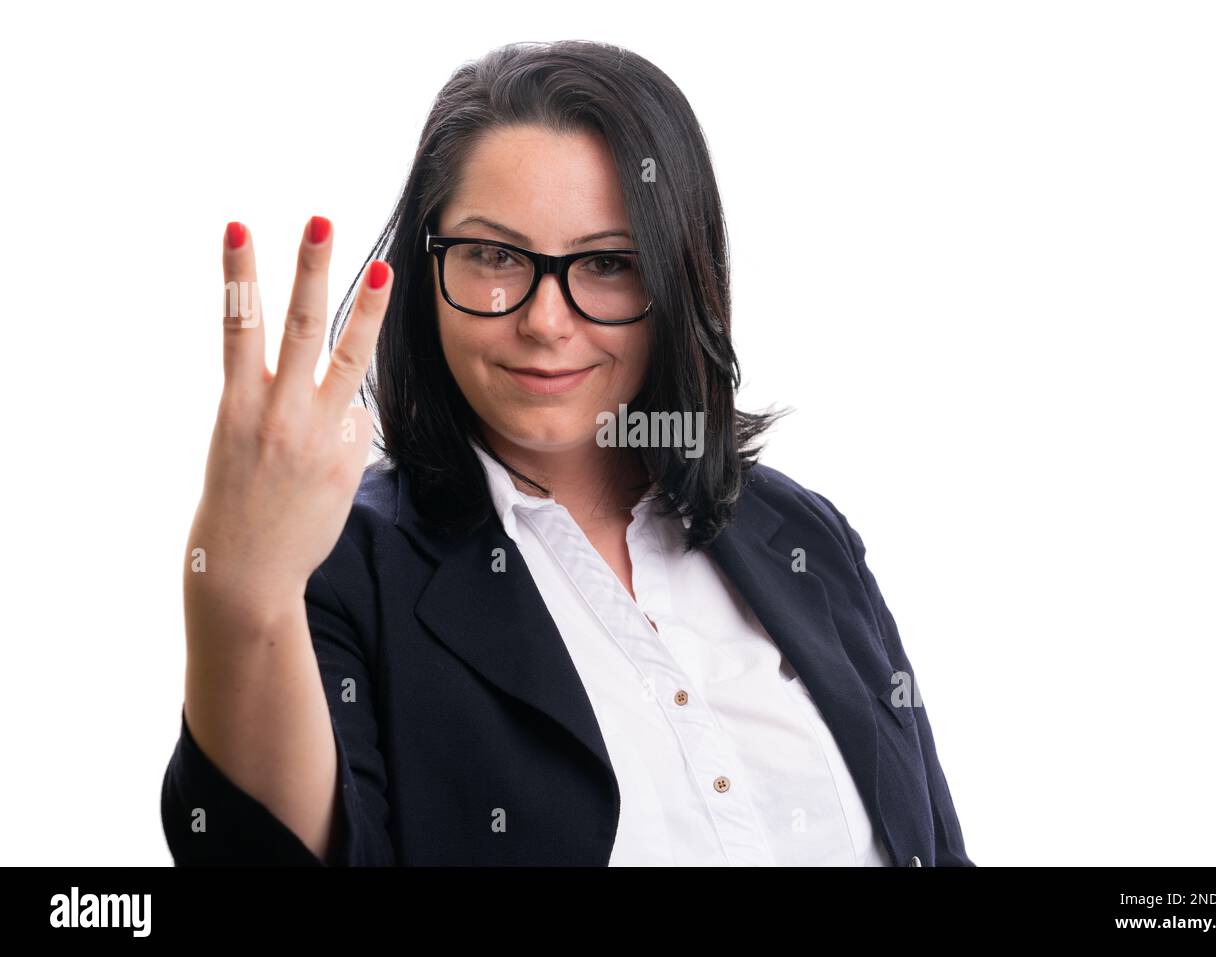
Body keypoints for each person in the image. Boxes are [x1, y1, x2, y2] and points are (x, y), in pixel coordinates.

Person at [162, 39, 973, 867]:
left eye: (609, 263)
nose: (546, 321)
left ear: (679, 277)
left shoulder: (802, 535)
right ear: (424, 265)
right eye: (494, 256)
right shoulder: (344, 571)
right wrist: (242, 593)